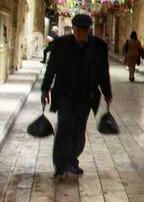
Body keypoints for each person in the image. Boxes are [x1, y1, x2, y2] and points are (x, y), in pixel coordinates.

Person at [41, 13, 112, 179]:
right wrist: (45, 89)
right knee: (65, 126)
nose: (80, 33)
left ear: (89, 30)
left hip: (86, 96)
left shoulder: (98, 47)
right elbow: (51, 69)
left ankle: (72, 160)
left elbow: (103, 72)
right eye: (77, 30)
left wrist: (107, 93)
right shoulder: (61, 45)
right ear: (73, 29)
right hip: (65, 94)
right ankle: (60, 164)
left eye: (83, 30)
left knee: (79, 130)